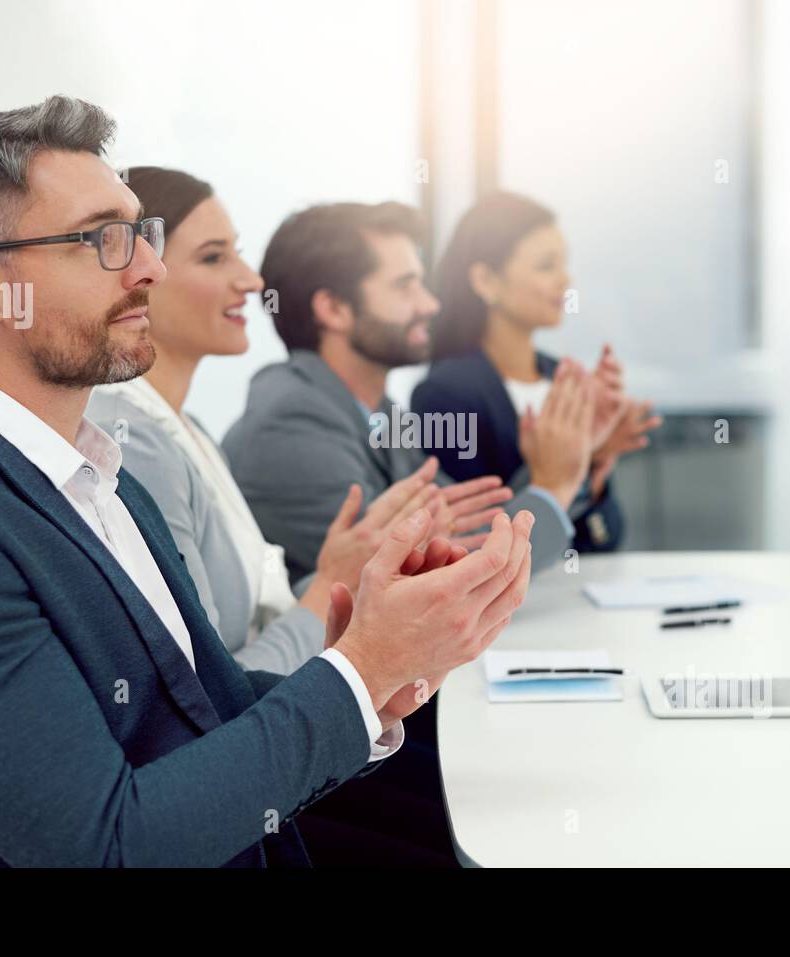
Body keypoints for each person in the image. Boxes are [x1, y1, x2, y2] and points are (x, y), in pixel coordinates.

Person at [0, 96, 533, 867]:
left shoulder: (104, 480)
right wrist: (364, 666)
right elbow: (105, 848)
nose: (149, 267)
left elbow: (202, 713)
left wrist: (383, 667)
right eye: (104, 240)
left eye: (141, 234)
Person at [87, 168, 510, 676]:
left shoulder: (190, 430)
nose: (251, 280)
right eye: (214, 257)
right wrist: (335, 581)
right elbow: (205, 692)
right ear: (140, 273)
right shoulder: (142, 443)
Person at [223, 201, 593, 584]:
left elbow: (472, 529)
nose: (429, 304)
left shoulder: (380, 413)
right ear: (333, 308)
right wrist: (552, 486)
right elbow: (428, 581)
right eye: (404, 286)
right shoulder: (292, 428)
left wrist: (563, 465)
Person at [413, 191, 662, 552]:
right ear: (486, 281)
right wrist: (559, 474)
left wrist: (593, 462)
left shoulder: (563, 378)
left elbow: (602, 540)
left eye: (564, 265)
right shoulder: (445, 394)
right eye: (547, 266)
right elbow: (468, 543)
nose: (566, 281)